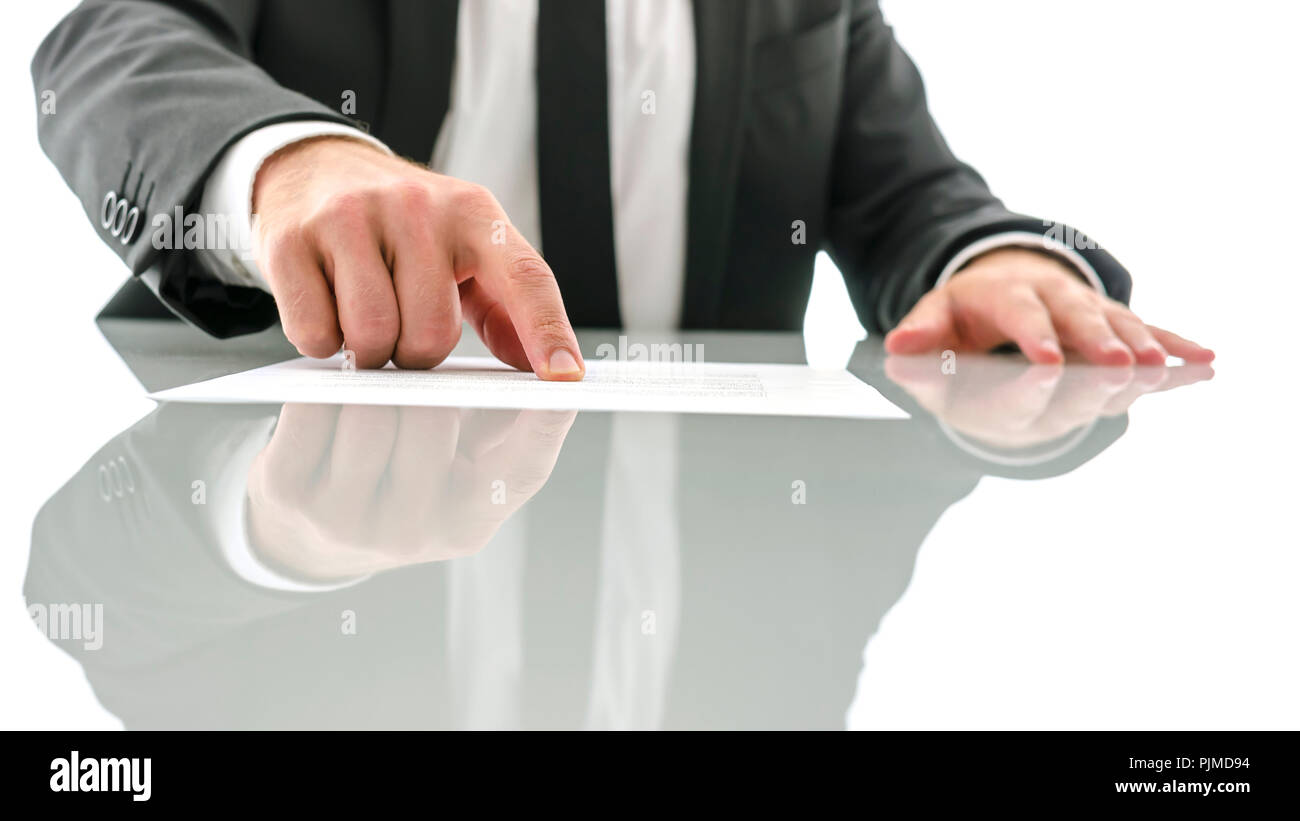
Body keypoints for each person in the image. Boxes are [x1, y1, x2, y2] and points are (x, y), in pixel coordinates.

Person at [32, 0, 1213, 378]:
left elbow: (913, 201)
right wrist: (289, 159)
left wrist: (995, 259)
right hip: (265, 545)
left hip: (723, 607)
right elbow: (105, 44)